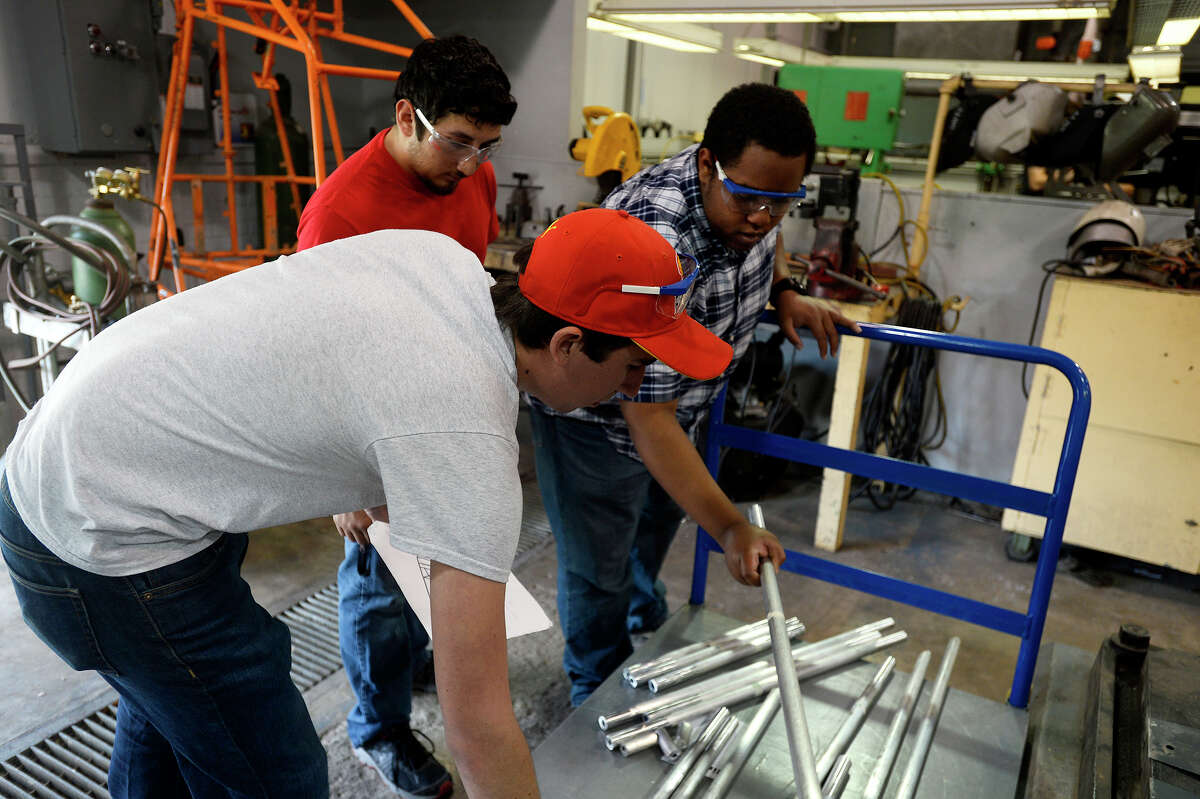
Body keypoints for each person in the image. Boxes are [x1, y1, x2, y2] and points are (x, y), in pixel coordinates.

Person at [0, 209, 781, 799]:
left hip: (89, 463)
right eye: (633, 366)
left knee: (177, 703)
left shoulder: (445, 265)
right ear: (571, 344)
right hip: (98, 533)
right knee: (277, 767)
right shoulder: (464, 431)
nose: (634, 390)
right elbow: (478, 729)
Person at [529, 82, 861, 705]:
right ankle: (595, 688)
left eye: (783, 201)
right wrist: (732, 527)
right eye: (751, 199)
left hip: (686, 402)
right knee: (597, 566)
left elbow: (766, 229)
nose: (763, 218)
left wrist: (784, 290)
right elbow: (646, 418)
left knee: (658, 519)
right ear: (707, 164)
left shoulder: (745, 199)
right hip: (602, 422)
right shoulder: (661, 243)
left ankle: (640, 610)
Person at [296, 34, 515, 797]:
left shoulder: (470, 178)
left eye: (485, 148)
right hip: (368, 426)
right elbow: (317, 354)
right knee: (376, 582)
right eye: (457, 142)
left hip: (439, 408)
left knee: (433, 567)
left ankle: (415, 663)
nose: (470, 165)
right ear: (406, 116)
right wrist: (343, 483)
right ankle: (378, 730)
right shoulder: (340, 213)